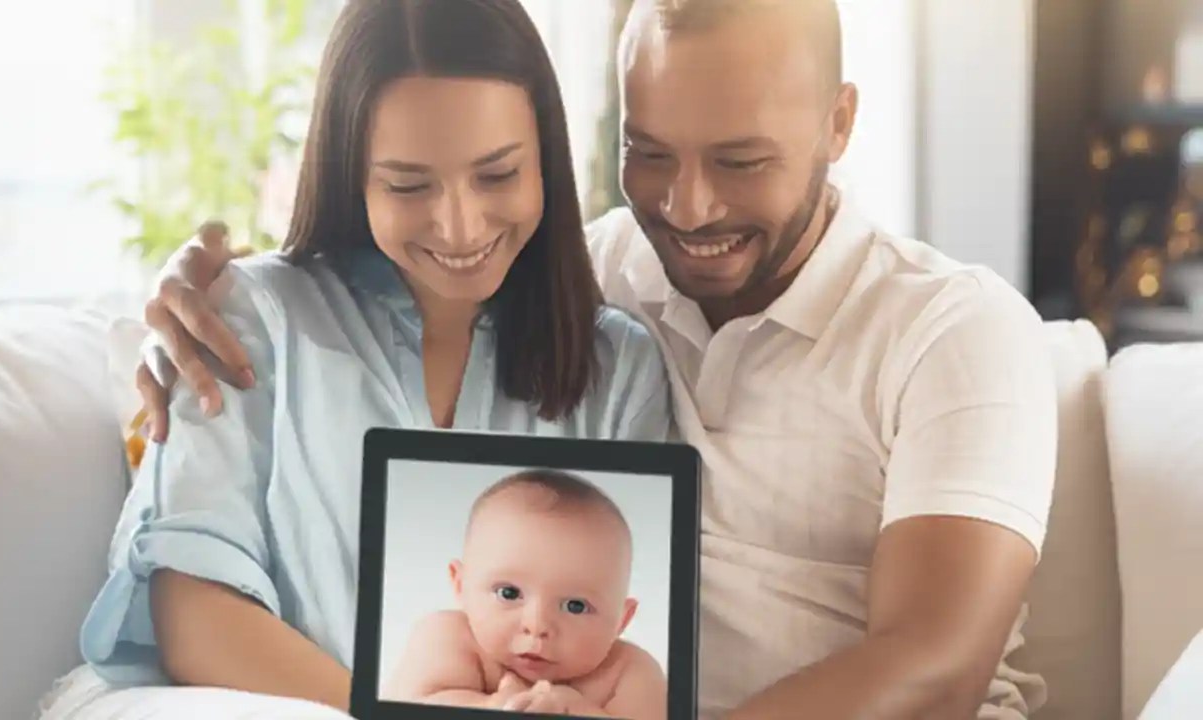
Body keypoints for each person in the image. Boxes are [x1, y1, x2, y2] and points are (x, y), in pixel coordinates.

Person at [138, 0, 1060, 718]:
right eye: (649, 154)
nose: (691, 209)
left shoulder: (955, 329)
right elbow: (407, 245)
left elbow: (933, 672)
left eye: (741, 162)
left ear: (839, 124)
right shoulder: (606, 276)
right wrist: (178, 305)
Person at [40, 0, 674, 716]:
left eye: (497, 175)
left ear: (546, 162)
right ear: (353, 176)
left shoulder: (618, 365)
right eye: (408, 185)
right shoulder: (255, 319)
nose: (460, 225)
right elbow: (191, 609)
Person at [383, 470, 667, 718]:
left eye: (576, 606)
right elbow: (408, 708)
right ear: (461, 586)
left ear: (622, 620)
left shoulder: (628, 673)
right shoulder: (447, 638)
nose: (538, 625)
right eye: (509, 593)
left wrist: (576, 710)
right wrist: (495, 706)